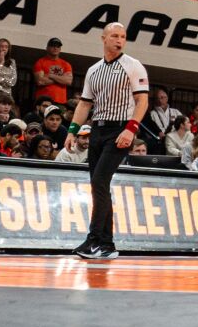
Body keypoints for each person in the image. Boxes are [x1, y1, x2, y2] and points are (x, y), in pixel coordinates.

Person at [64, 23, 150, 261]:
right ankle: (107, 245)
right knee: (98, 185)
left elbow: (142, 102)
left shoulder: (133, 66)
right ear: (103, 38)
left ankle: (93, 240)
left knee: (100, 182)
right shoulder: (93, 70)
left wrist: (131, 129)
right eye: (114, 36)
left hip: (120, 129)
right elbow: (84, 104)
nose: (119, 40)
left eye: (123, 37)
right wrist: (72, 131)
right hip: (97, 130)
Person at [32, 38, 74, 110]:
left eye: (58, 46)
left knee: (58, 120)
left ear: (60, 49)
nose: (55, 48)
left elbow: (68, 81)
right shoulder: (40, 62)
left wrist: (50, 75)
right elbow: (40, 81)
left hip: (60, 101)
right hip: (43, 101)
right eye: (52, 46)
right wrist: (61, 78)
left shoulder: (66, 64)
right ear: (47, 48)